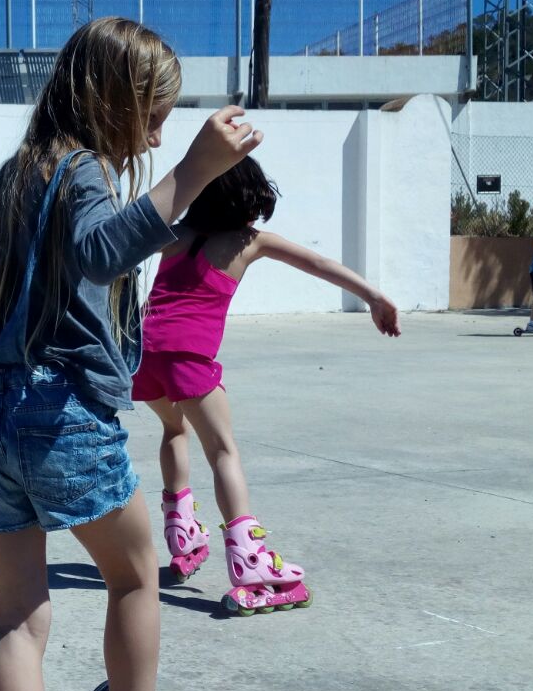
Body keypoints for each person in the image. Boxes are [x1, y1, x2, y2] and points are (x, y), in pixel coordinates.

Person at [0, 17, 263, 691]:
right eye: (155, 114)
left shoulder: (18, 177)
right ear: (115, 102)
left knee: (19, 618)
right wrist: (199, 169)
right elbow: (99, 248)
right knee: (136, 578)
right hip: (58, 417)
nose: (161, 133)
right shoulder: (84, 170)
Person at [133, 156, 400, 615]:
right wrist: (373, 296)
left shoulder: (175, 234)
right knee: (223, 451)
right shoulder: (248, 241)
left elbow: (125, 253)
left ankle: (182, 534)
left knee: (174, 430)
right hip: (189, 359)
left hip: (145, 353)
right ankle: (250, 562)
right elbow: (317, 262)